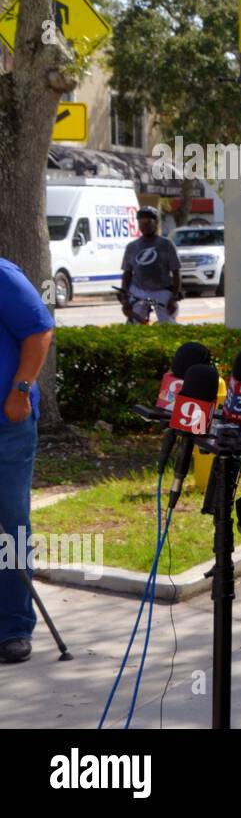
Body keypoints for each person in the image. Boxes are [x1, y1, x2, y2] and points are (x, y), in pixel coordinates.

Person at [0, 258, 55, 664]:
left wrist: (21, 390)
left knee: (9, 523)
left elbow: (39, 330)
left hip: (6, 425)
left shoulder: (2, 275)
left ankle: (13, 626)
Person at [120, 206, 182, 324]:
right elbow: (127, 273)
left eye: (148, 221)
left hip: (162, 290)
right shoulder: (132, 247)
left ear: (156, 223)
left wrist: (174, 297)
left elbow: (176, 272)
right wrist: (124, 297)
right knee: (133, 324)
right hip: (139, 290)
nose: (145, 225)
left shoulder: (166, 244)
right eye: (141, 222)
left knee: (168, 324)